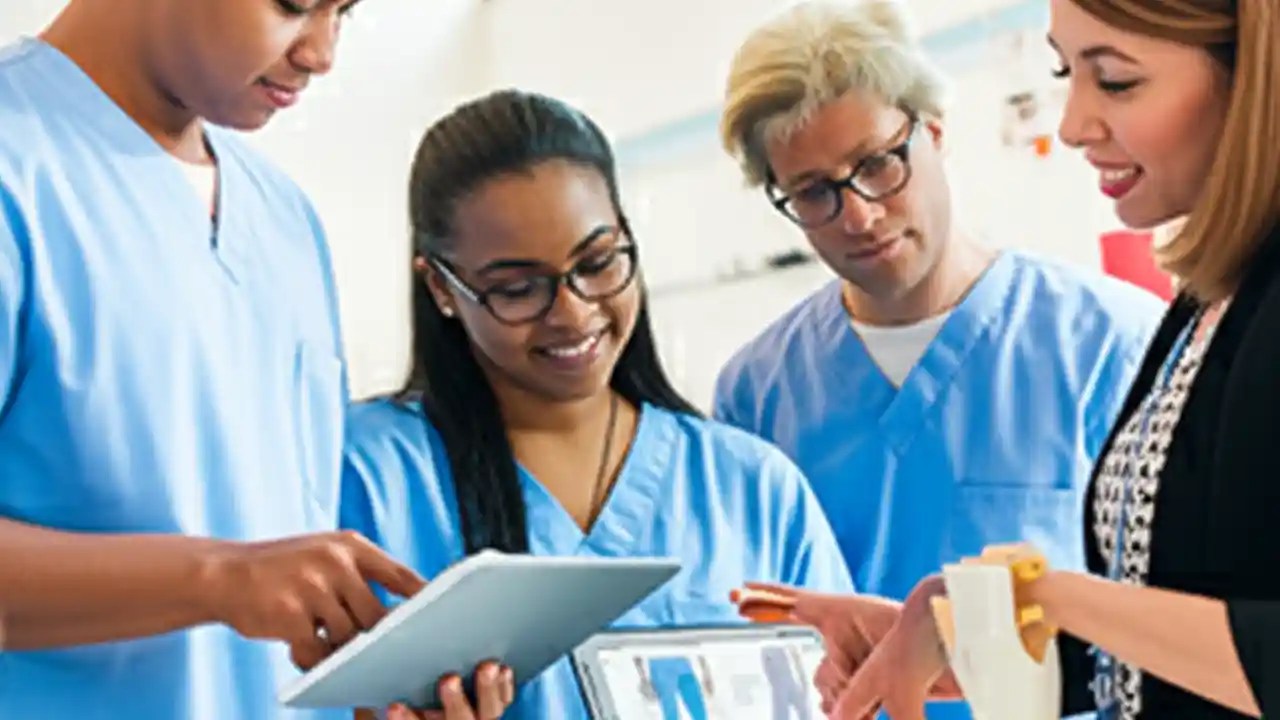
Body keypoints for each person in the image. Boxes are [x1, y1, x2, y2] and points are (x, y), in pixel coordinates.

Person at [779, 0, 1280, 718]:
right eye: (1063, 70)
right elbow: (1181, 640)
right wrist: (973, 647)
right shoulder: (1207, 308)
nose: (1073, 124)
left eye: (1115, 82)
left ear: (1254, 78)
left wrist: (1049, 596)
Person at [0, 2, 492, 719]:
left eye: (343, 11)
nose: (322, 53)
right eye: (294, 4)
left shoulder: (285, 220)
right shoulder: (19, 166)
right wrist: (217, 580)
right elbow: (240, 581)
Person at [338, 89, 855, 720]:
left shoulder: (749, 488)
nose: (574, 312)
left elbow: (853, 699)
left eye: (598, 262)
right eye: (517, 288)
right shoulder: (367, 478)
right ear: (441, 288)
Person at [714, 0, 1163, 611]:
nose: (861, 215)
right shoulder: (758, 394)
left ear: (934, 130)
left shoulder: (1114, 344)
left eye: (876, 165)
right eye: (815, 192)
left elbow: (1174, 620)